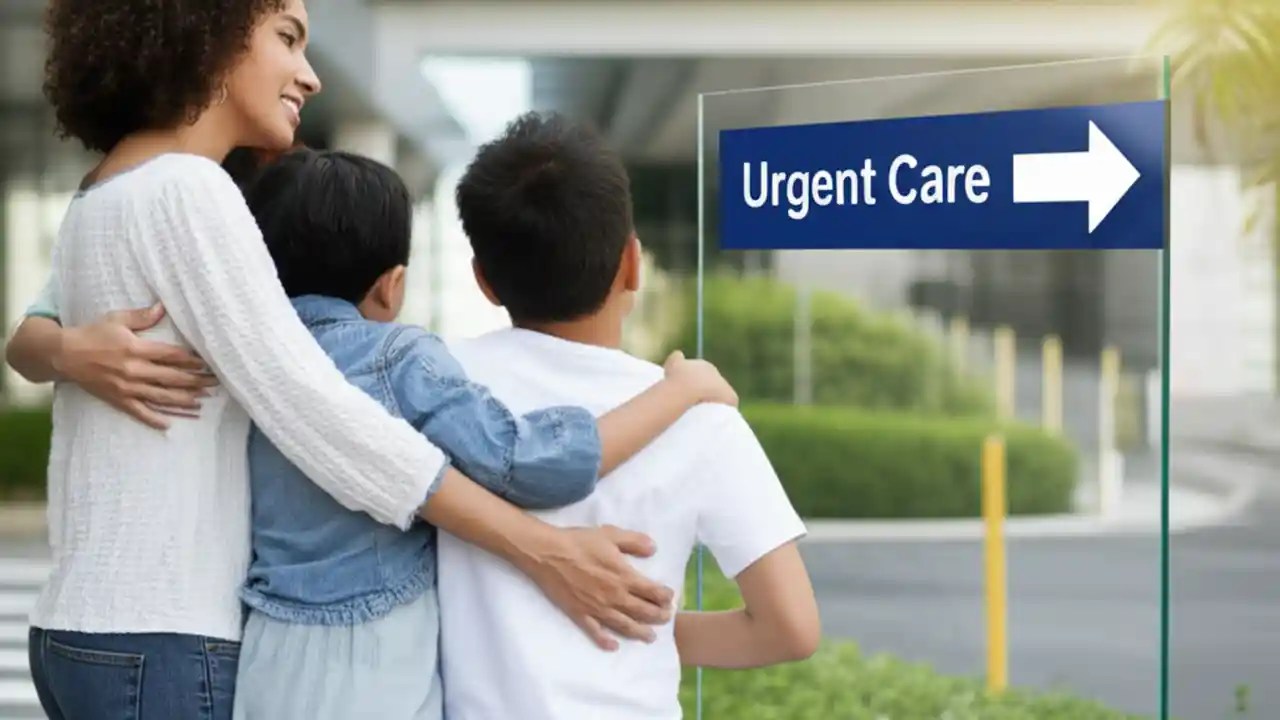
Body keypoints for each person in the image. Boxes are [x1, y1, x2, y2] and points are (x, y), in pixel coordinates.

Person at [3, 2, 696, 717]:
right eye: (287, 38)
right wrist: (542, 550)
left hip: (77, 628)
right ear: (204, 29)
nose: (310, 76)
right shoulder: (189, 190)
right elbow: (320, 414)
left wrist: (57, 348)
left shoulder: (102, 194)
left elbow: (31, 334)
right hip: (162, 637)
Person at [227, 148, 734, 719]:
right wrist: (680, 390)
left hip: (267, 643)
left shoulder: (241, 360)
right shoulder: (398, 361)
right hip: (370, 648)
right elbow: (523, 462)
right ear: (392, 287)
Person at [438, 111, 821, 719]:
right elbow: (790, 627)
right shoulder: (699, 412)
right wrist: (638, 623)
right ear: (633, 263)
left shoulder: (437, 384)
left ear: (484, 279)